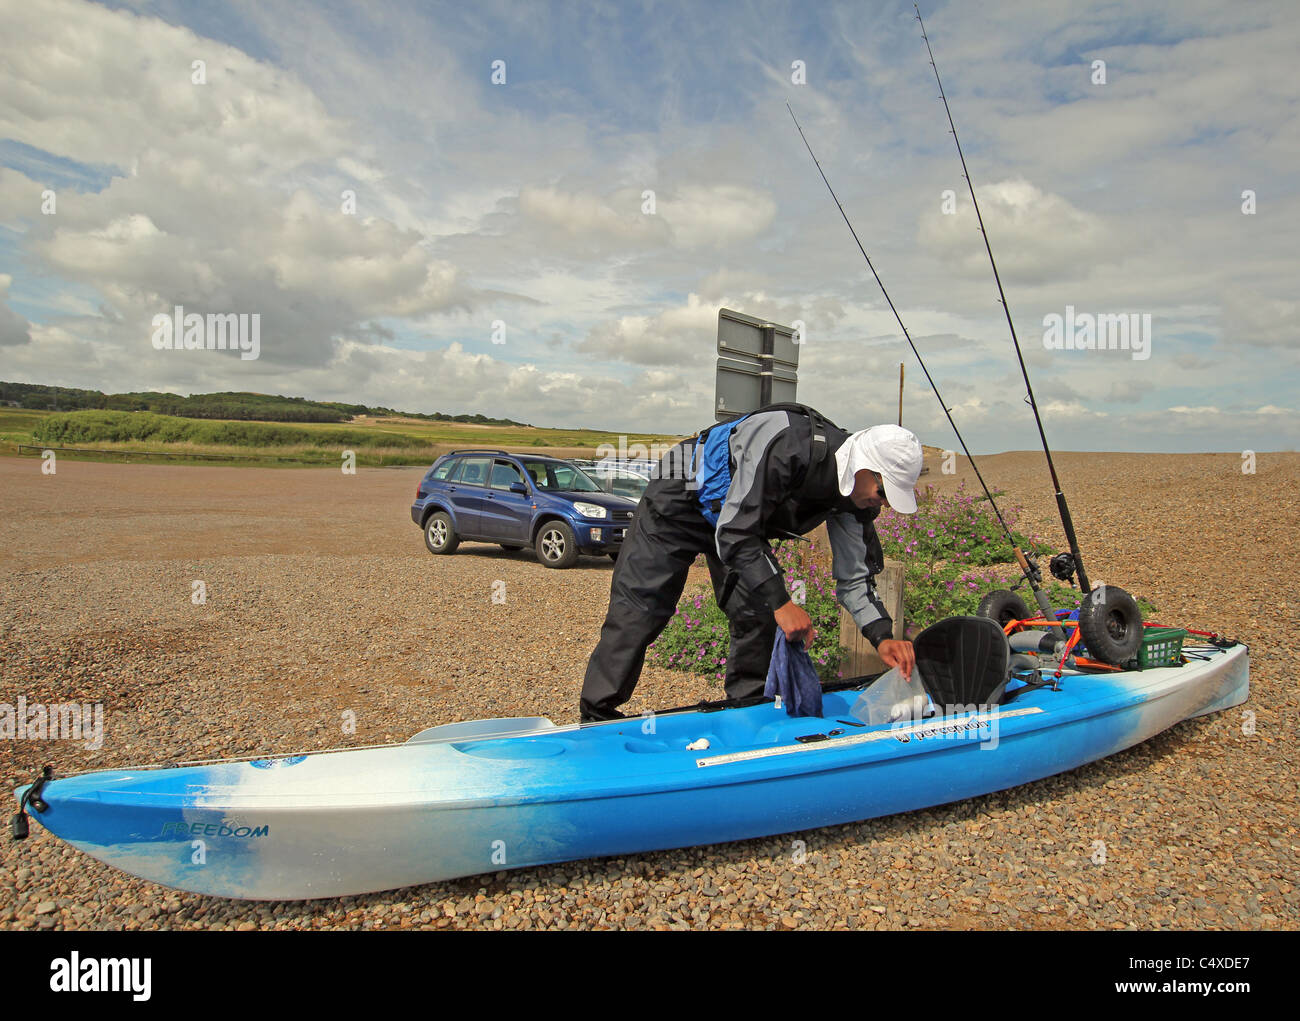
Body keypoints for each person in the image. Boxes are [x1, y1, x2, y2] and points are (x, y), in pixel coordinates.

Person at [579, 404, 924, 722]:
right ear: (864, 466)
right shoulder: (788, 445)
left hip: (738, 522)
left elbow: (854, 579)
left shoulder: (857, 499)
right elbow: (735, 534)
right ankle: (597, 716)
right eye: (883, 492)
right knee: (640, 608)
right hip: (681, 495)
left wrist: (882, 637)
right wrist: (784, 603)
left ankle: (747, 714)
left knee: (758, 615)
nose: (884, 505)